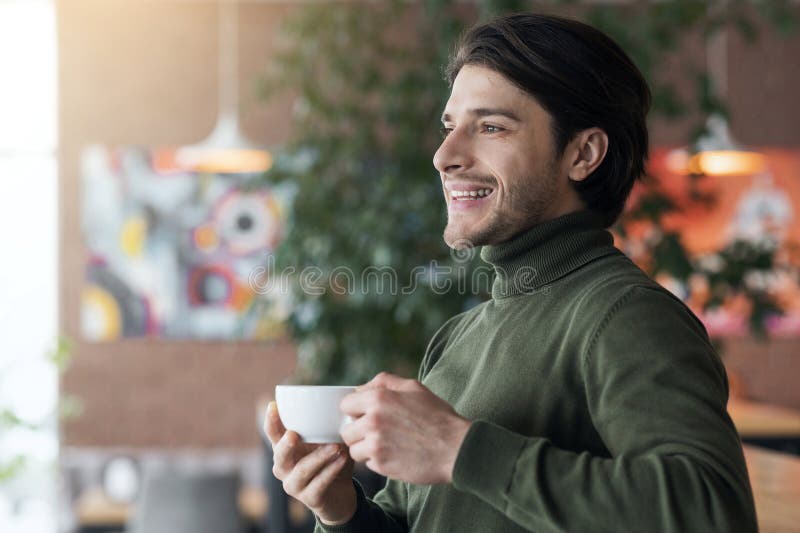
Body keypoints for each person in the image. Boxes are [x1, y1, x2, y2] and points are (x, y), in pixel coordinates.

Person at [265, 13, 757, 533]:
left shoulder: (626, 315)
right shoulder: (459, 338)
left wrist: (458, 448)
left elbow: (712, 510)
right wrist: (342, 512)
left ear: (582, 153)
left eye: (491, 127)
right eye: (450, 128)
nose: (443, 156)